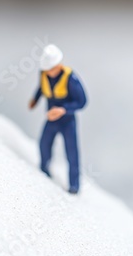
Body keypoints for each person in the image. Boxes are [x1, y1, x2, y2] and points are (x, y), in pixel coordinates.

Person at [28, 44, 88, 194]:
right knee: (44, 144)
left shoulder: (71, 79)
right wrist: (35, 99)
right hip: (52, 120)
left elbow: (82, 101)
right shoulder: (44, 74)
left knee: (72, 153)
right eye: (47, 70)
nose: (49, 72)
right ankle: (44, 170)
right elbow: (41, 88)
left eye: (52, 69)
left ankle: (74, 186)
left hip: (68, 122)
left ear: (59, 65)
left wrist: (63, 110)